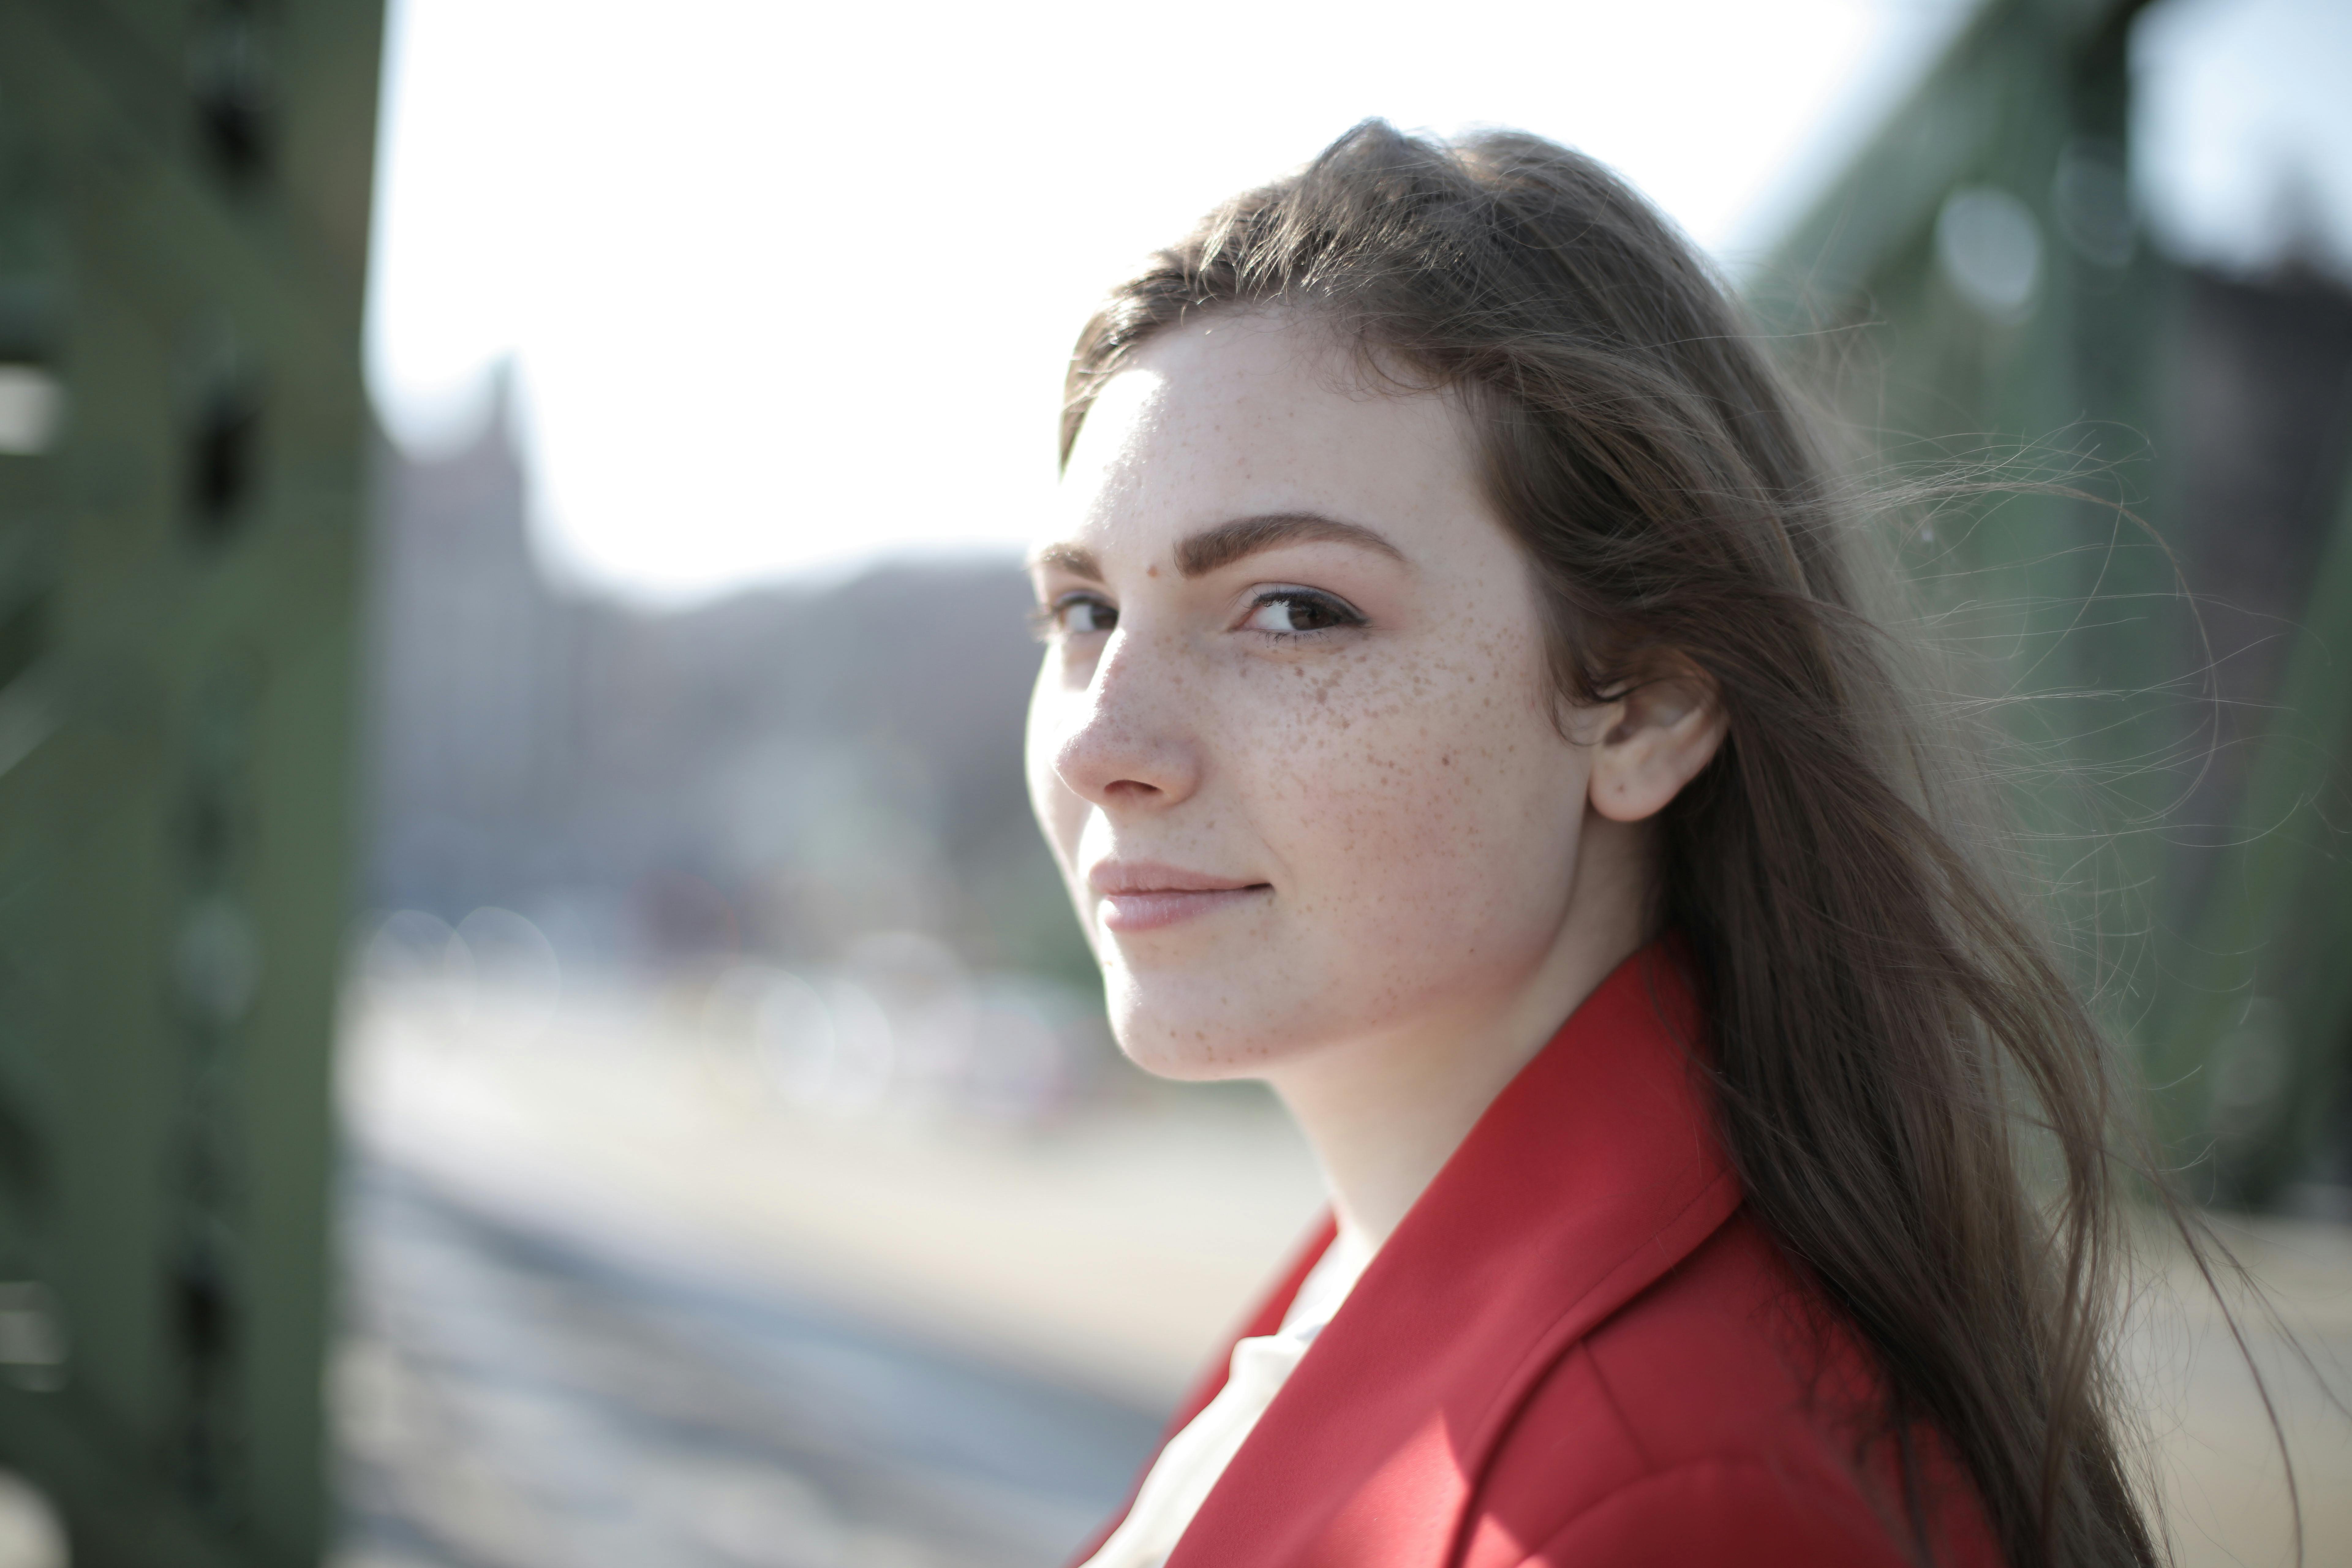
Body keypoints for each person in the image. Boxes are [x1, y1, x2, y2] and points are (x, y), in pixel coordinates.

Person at [1023, 122, 2158, 1567]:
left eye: (1295, 609)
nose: (1098, 742)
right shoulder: (1366, 1279)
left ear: (1648, 704)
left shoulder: (1663, 1496)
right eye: (1083, 613)